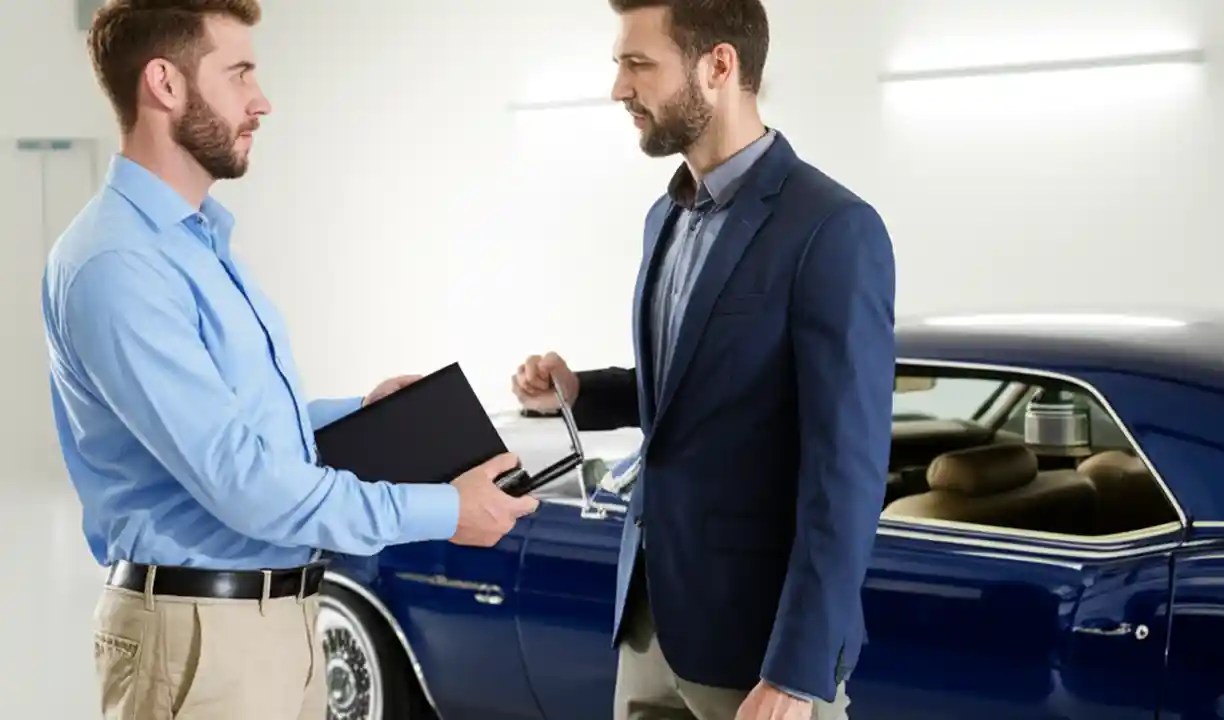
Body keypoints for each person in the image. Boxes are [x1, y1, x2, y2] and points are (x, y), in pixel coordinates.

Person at [42, 1, 536, 717]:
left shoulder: (194, 243)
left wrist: (357, 413)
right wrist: (442, 512)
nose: (261, 101)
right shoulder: (118, 263)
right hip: (203, 642)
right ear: (165, 84)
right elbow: (246, 484)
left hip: (275, 625)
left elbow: (229, 427)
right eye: (239, 72)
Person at [511, 1, 896, 718]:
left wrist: (797, 671)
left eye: (638, 64)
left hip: (758, 650)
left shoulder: (833, 229)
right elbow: (692, 393)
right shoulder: (666, 216)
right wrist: (576, 392)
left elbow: (846, 472)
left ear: (719, 66)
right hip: (649, 623)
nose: (619, 89)